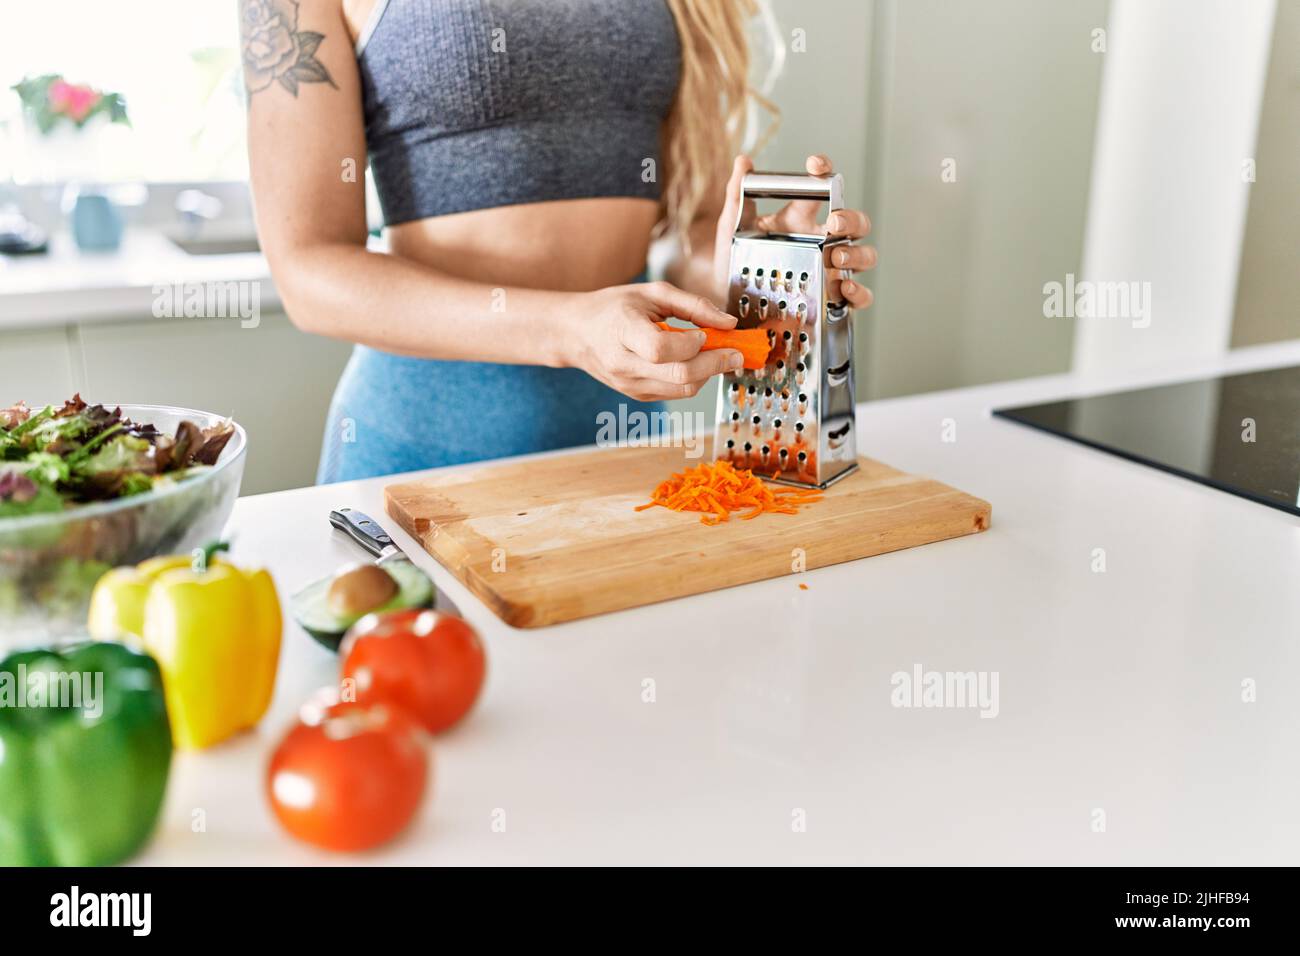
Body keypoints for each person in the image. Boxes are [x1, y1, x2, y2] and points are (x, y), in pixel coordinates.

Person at [240, 0, 875, 482]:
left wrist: (762, 261)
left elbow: (694, 226)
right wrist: (569, 328)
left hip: (628, 459)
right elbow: (308, 268)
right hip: (420, 462)